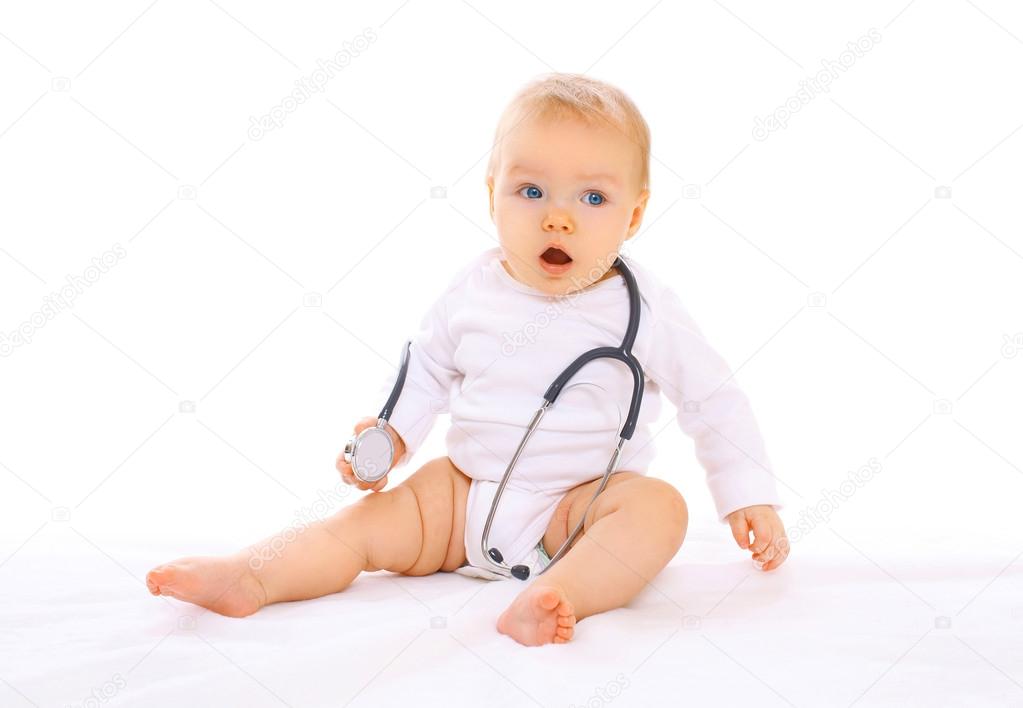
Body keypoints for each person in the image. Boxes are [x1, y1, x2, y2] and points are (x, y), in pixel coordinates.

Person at [146, 73, 790, 647]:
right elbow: (424, 369)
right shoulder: (471, 290)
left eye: (592, 199)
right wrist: (389, 436)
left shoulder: (645, 307)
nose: (557, 220)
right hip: (461, 498)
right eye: (531, 190)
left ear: (635, 214)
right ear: (492, 196)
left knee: (657, 510)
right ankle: (252, 574)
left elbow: (713, 397)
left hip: (579, 509)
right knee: (362, 524)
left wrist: (746, 495)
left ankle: (556, 596)